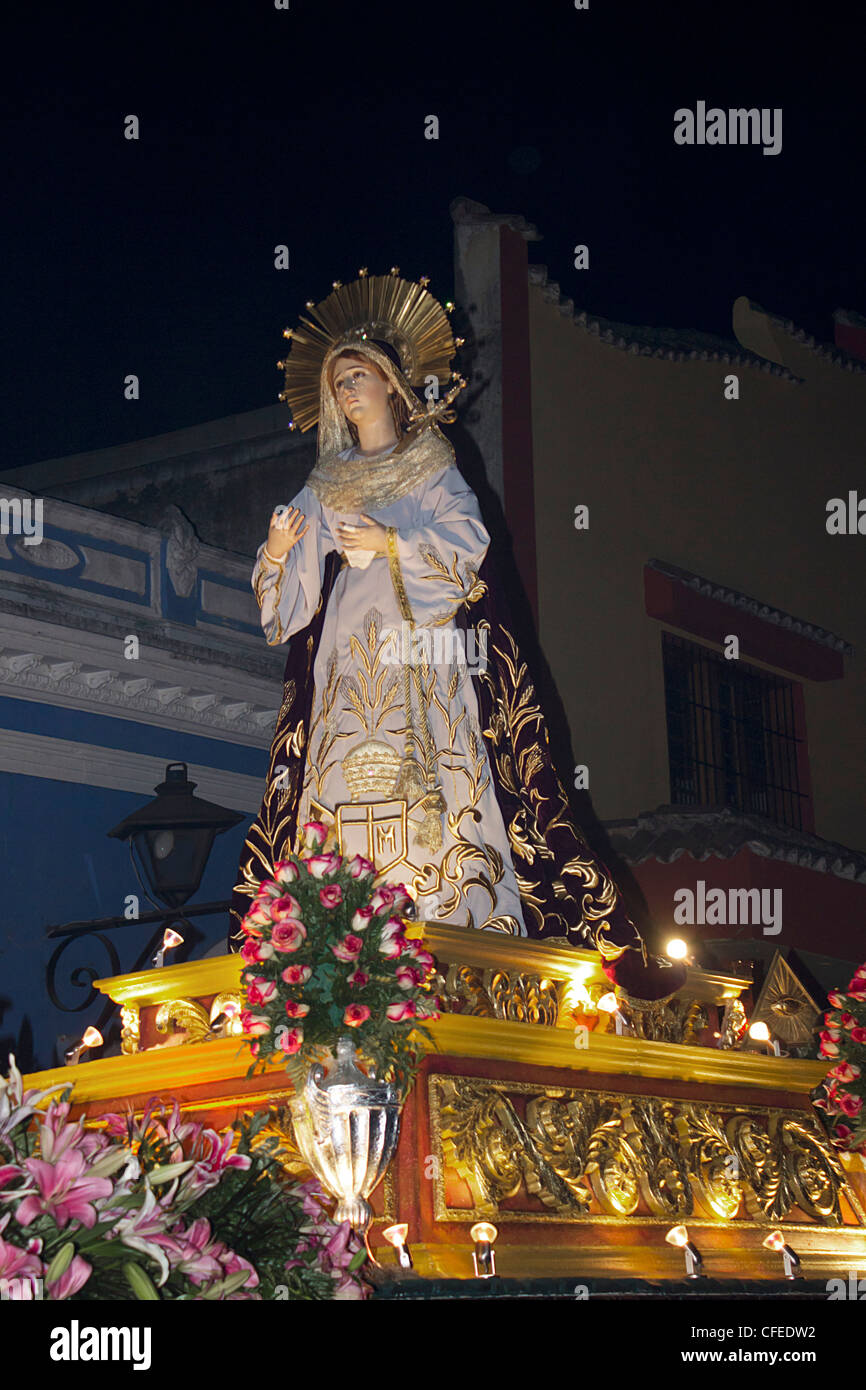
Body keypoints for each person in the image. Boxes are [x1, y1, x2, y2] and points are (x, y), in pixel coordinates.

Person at [230, 273, 685, 1000]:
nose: (347, 392)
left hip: (425, 657)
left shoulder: (432, 460)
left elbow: (470, 547)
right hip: (348, 658)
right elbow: (287, 613)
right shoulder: (325, 480)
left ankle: (452, 917)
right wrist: (281, 552)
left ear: (389, 385)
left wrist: (391, 542)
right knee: (344, 776)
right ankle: (338, 927)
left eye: (358, 377)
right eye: (338, 383)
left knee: (434, 778)